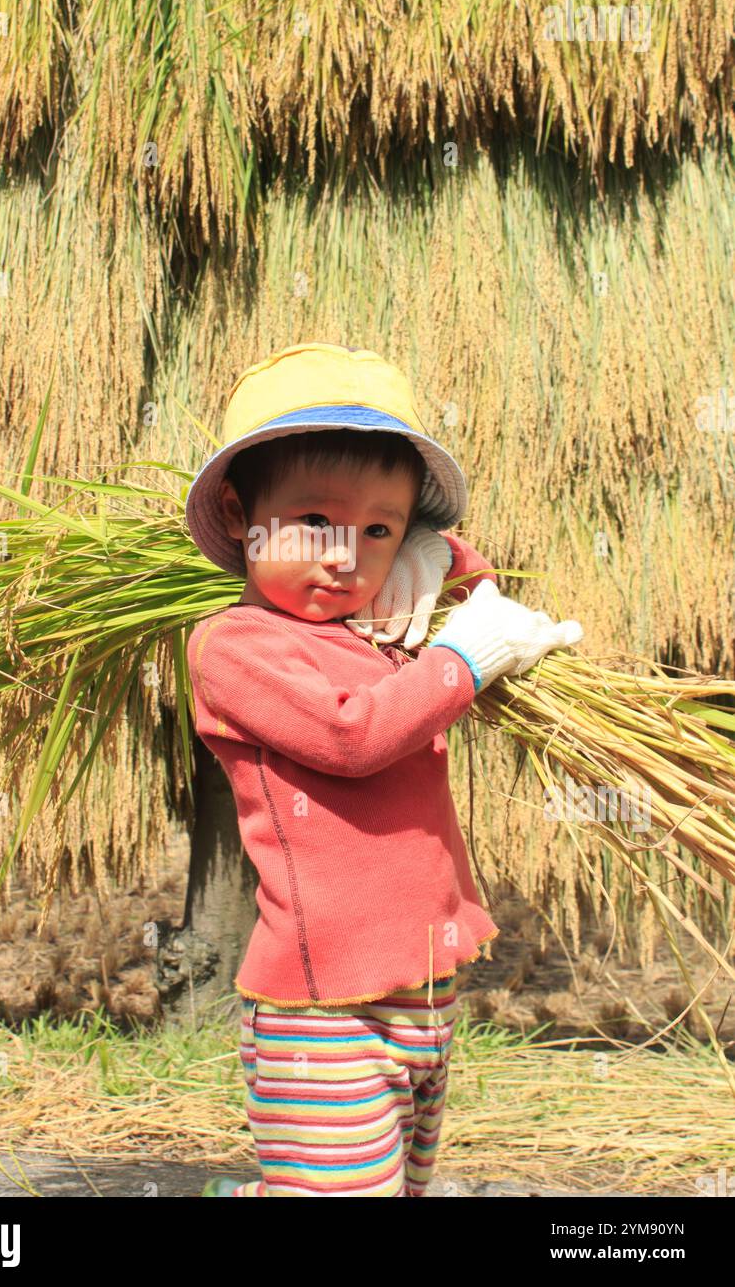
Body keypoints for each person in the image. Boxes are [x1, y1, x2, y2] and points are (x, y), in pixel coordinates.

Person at [184, 342, 583, 1196]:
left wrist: (432, 558)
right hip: (323, 1007)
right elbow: (353, 737)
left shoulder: (387, 619)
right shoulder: (236, 644)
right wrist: (464, 663)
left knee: (402, 1185)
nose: (345, 557)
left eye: (378, 529)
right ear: (238, 510)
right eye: (315, 522)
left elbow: (481, 585)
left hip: (422, 987)